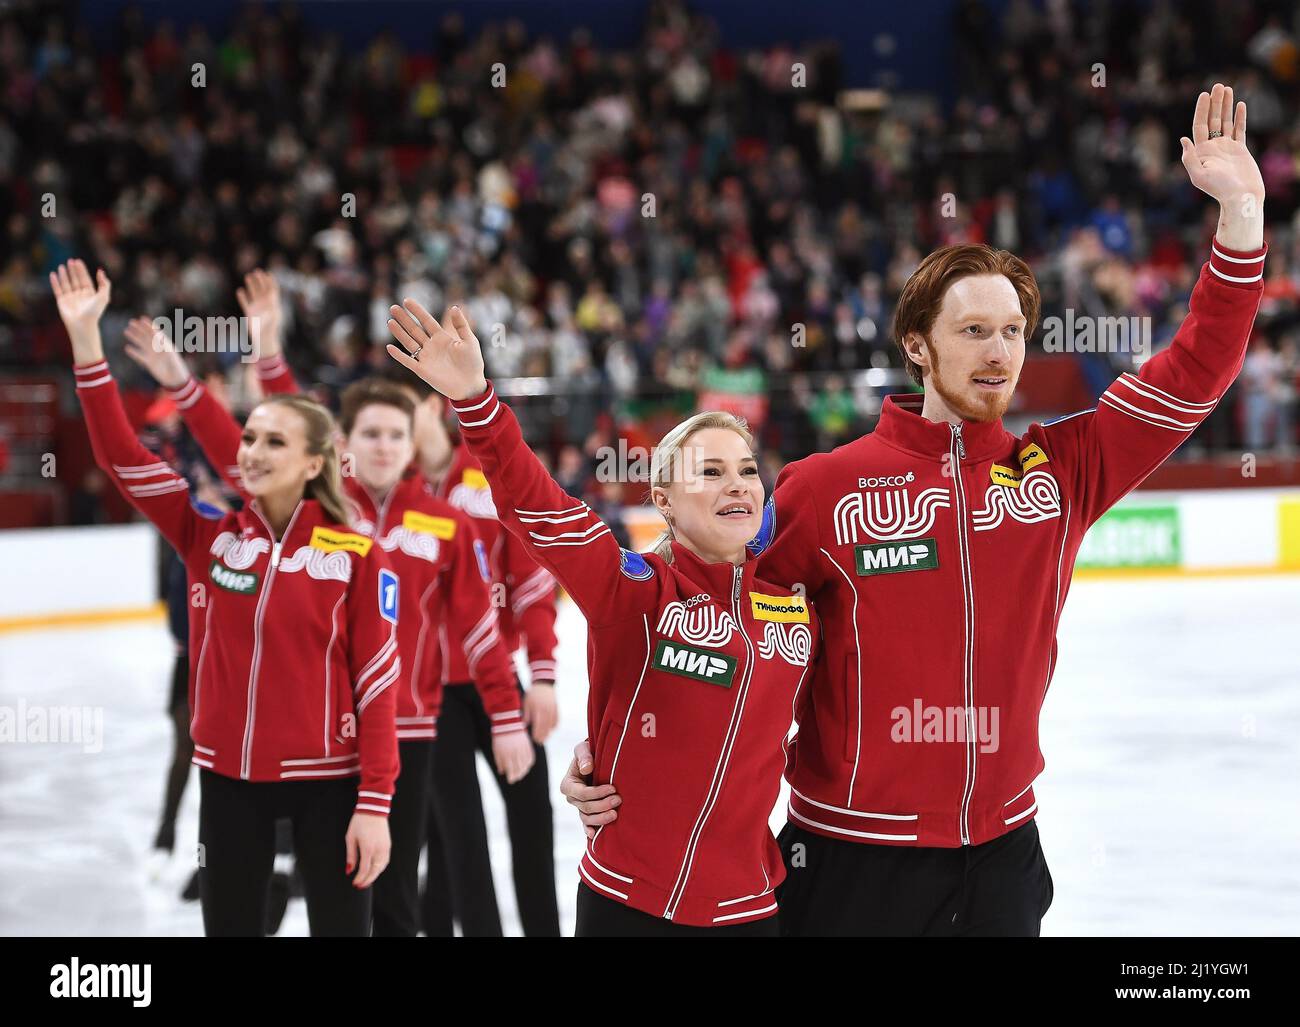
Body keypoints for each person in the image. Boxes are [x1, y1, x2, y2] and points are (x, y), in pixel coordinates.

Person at [561, 83, 1268, 936]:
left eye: (1013, 331)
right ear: (917, 345)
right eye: (973, 331)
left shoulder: (1063, 468)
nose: (999, 351)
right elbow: (697, 613)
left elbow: (1197, 370)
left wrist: (1241, 216)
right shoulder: (824, 487)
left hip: (1003, 857)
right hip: (850, 860)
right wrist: (612, 752)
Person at [384, 300, 821, 936]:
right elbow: (539, 508)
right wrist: (476, 401)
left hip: (749, 908)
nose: (738, 484)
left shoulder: (796, 604)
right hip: (625, 901)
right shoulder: (633, 588)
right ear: (663, 499)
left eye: (748, 471)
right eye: (711, 471)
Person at [53, 258, 400, 937]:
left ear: (313, 463)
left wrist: (376, 803)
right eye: (249, 438)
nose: (252, 451)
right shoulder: (207, 537)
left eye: (275, 441)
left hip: (331, 782)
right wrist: (87, 342)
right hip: (227, 782)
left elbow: (378, 684)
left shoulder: (358, 555)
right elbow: (121, 457)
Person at [410, 389, 563, 937]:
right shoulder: (391, 492)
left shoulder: (486, 478)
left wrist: (542, 676)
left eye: (403, 412)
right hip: (429, 696)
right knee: (456, 837)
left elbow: (531, 580)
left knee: (533, 820)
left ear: (432, 407)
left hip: (498, 677)